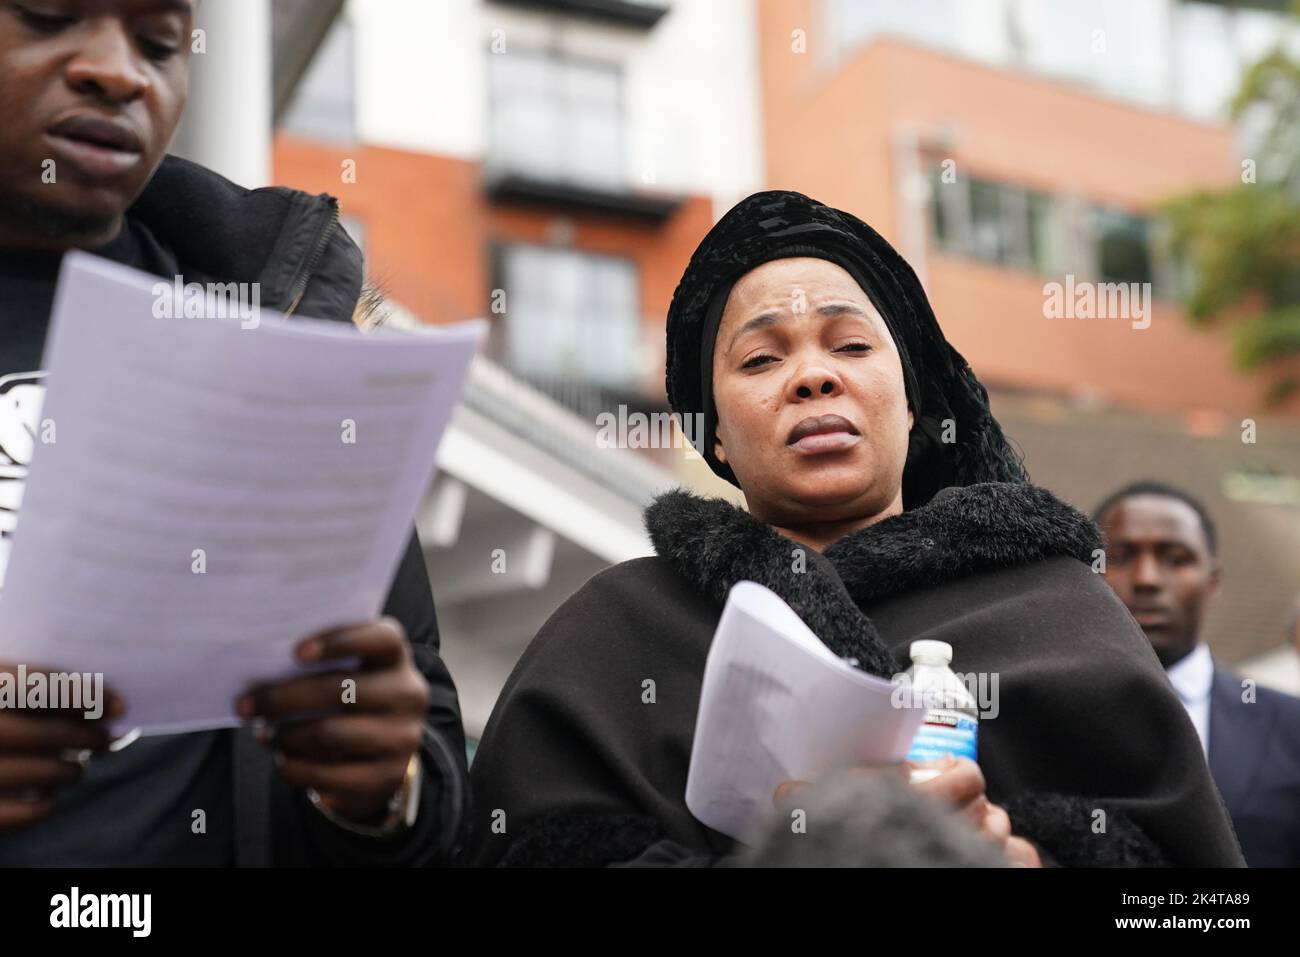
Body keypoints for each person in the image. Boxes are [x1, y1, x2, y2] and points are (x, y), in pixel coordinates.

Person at [469, 190, 1244, 868]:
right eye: (761, 357)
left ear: (910, 402)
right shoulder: (615, 632)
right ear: (713, 437)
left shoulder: (1060, 610)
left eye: (850, 344)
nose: (813, 375)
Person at [0, 0, 468, 865]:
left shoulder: (288, 346)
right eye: (50, 14)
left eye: (160, 42)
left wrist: (383, 787)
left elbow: (425, 748)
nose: (119, 68)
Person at [1096, 481, 1300, 867]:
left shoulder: (1293, 729)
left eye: (1175, 558)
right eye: (1120, 556)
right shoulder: (1033, 720)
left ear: (1213, 580)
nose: (1147, 579)